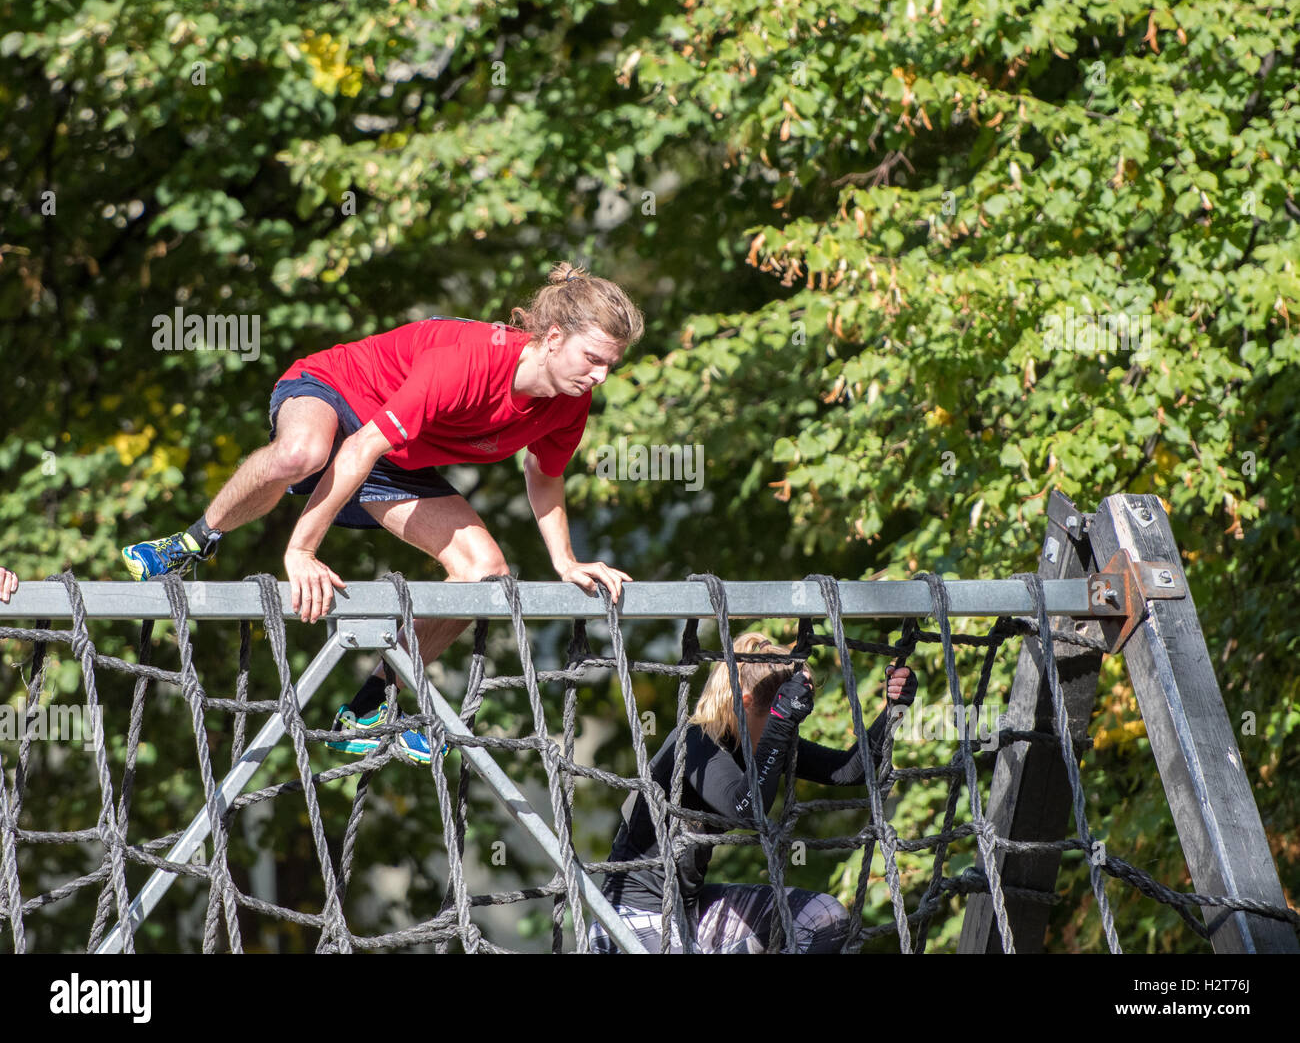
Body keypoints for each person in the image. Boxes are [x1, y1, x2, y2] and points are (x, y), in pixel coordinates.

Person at [121, 262, 644, 762]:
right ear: (553, 338)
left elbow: (543, 473)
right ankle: (191, 542)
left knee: (486, 575)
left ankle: (369, 707)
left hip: (393, 455)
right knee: (302, 453)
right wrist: (301, 552)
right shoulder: (467, 363)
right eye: (592, 358)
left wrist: (567, 562)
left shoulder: (570, 402)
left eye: (609, 365)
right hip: (338, 393)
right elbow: (356, 448)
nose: (599, 376)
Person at [589, 630, 918, 954]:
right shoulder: (694, 741)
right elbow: (745, 807)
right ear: (744, 703)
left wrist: (895, 709)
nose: (786, 733)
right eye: (775, 721)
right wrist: (779, 722)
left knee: (824, 917)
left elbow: (850, 769)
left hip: (687, 910)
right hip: (630, 915)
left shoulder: (763, 739)